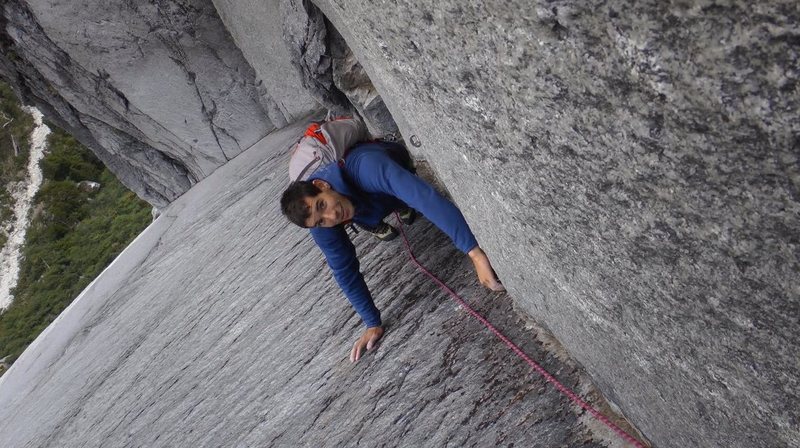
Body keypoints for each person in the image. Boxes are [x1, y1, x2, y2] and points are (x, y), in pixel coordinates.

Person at [280, 140, 504, 362]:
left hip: (392, 171)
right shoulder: (322, 223)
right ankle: (374, 220)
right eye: (320, 221)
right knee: (353, 213)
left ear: (322, 186)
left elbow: (422, 196)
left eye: (322, 205)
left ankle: (398, 207)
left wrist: (474, 251)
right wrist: (371, 322)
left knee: (406, 198)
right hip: (364, 205)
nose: (331, 217)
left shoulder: (366, 166)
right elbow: (343, 270)